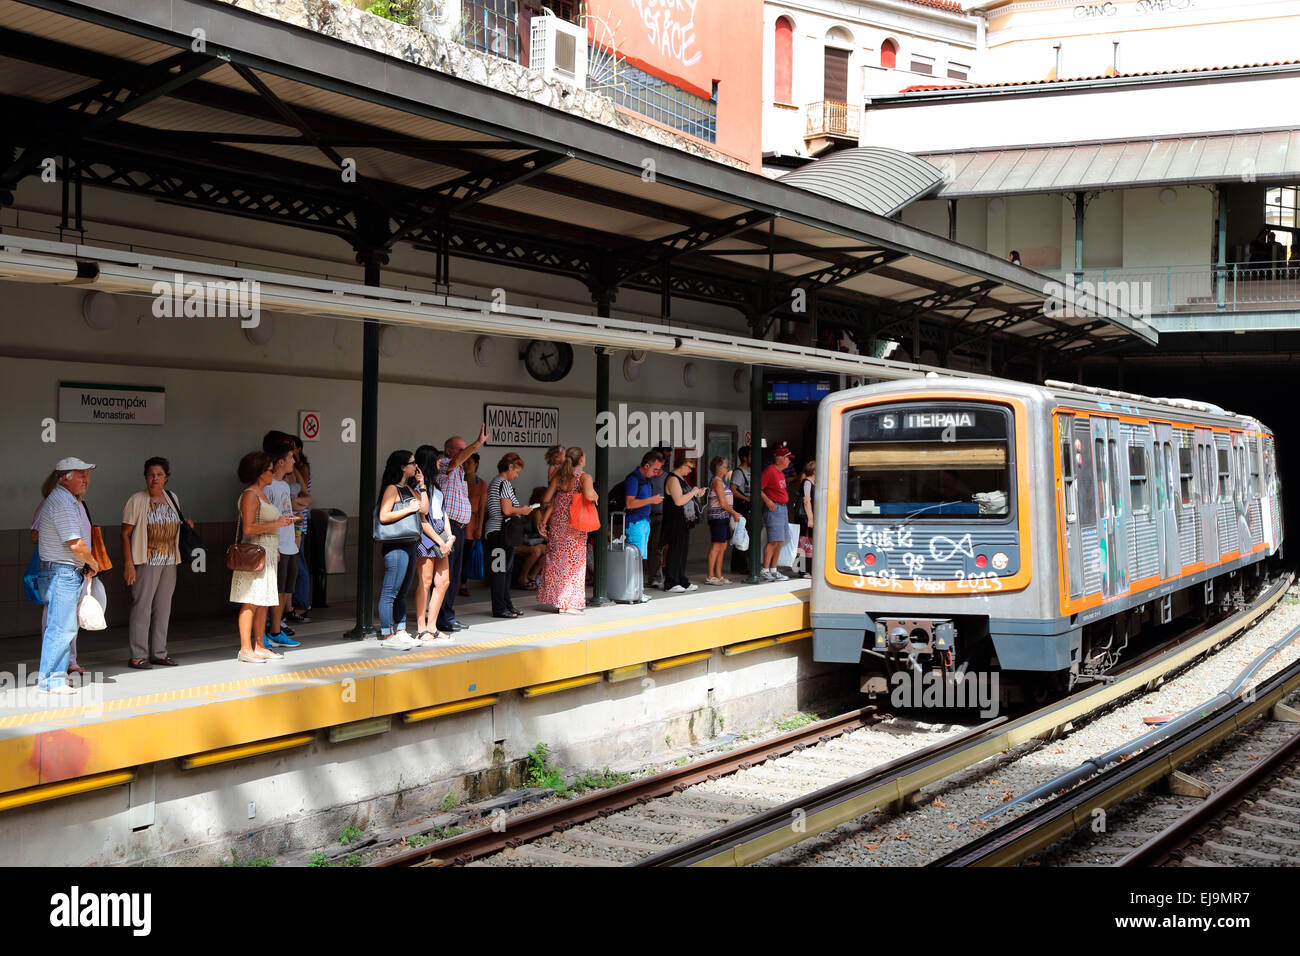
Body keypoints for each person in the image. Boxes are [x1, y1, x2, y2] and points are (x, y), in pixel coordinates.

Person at [120, 457, 192, 669]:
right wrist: (128, 563)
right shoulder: (136, 500)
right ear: (145, 477)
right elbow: (125, 534)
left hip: (169, 560)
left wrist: (186, 525)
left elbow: (175, 523)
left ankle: (159, 653)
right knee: (141, 606)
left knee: (163, 607)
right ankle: (137, 655)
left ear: (166, 478)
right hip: (146, 559)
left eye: (159, 475)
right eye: (151, 474)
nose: (155, 479)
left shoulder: (172, 498)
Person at [35, 458, 98, 694]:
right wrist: (93, 562)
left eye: (87, 475)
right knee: (62, 628)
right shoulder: (63, 501)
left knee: (58, 627)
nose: (86, 480)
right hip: (62, 572)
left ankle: (54, 677)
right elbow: (75, 543)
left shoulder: (63, 499)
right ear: (64, 477)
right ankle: (52, 680)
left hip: (58, 571)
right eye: (80, 475)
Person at [230, 451, 299, 663]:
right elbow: (249, 528)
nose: (273, 472)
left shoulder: (263, 492)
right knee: (251, 601)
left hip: (267, 551)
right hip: (256, 553)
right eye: (269, 470)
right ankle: (245, 648)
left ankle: (259, 645)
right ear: (260, 472)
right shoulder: (251, 494)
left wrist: (276, 541)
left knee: (264, 601)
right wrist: (277, 524)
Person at [436, 424, 489, 633]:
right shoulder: (444, 464)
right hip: (446, 530)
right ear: (449, 451)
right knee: (445, 576)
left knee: (455, 577)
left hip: (459, 529)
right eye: (461, 448)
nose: (466, 453)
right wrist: (478, 443)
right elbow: (457, 460)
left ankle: (448, 615)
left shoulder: (460, 472)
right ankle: (441, 618)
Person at [376, 450, 426, 649]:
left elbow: (424, 509)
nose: (416, 466)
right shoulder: (391, 489)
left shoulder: (408, 488)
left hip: (410, 542)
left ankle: (401, 630)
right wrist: (407, 509)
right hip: (396, 544)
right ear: (402, 467)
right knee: (391, 591)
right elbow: (383, 516)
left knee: (403, 590)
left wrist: (422, 486)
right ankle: (388, 634)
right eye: (412, 463)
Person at [539, 447, 598, 614]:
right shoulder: (584, 477)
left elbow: (546, 499)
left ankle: (558, 600)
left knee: (557, 562)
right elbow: (588, 494)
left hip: (558, 524)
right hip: (575, 526)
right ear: (581, 460)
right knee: (574, 564)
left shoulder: (559, 476)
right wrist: (596, 496)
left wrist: (543, 520)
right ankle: (568, 603)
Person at [413, 445, 456, 644]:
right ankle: (421, 627)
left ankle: (433, 625)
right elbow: (422, 518)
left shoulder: (436, 485)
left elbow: (443, 512)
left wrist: (449, 536)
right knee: (425, 581)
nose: (440, 463)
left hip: (441, 535)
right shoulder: (419, 487)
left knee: (443, 582)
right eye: (437, 460)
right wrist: (441, 541)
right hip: (426, 536)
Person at [263, 441, 302, 651]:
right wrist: (274, 546)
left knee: (285, 591)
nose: (294, 461)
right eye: (290, 458)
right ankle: (265, 632)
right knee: (273, 590)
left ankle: (276, 631)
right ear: (280, 462)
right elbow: (265, 518)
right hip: (275, 545)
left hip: (289, 544)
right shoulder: (267, 487)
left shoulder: (285, 485)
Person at [484, 452, 533, 618]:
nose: (517, 475)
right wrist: (523, 510)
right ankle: (500, 608)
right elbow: (507, 510)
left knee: (504, 571)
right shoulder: (503, 483)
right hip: (500, 533)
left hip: (498, 533)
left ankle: (507, 605)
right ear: (510, 467)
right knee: (500, 572)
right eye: (517, 471)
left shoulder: (495, 483)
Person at [662, 451, 707, 593]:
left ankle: (681, 580)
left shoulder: (681, 479)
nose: (690, 471)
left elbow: (685, 497)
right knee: (675, 551)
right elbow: (679, 500)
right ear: (682, 465)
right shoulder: (673, 479)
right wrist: (693, 492)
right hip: (675, 520)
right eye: (689, 467)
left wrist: (696, 493)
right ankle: (671, 582)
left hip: (683, 521)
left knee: (682, 551)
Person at [623, 451, 664, 578]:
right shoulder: (634, 479)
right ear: (647, 466)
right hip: (635, 521)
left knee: (641, 557)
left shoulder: (646, 480)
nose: (656, 473)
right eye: (655, 470)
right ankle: (632, 589)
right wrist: (652, 500)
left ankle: (637, 589)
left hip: (644, 520)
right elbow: (629, 503)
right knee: (636, 557)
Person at [705, 456, 742, 585]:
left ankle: (719, 575)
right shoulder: (717, 482)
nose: (727, 469)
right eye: (725, 467)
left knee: (723, 546)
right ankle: (710, 576)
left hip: (724, 517)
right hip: (718, 517)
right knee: (716, 546)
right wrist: (734, 513)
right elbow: (722, 503)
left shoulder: (721, 481)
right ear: (719, 469)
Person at [287, 436, 312, 624]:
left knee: (298, 564)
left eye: (294, 449)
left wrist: (295, 503)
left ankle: (301, 604)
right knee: (294, 564)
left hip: (298, 522)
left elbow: (305, 495)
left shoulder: (300, 467)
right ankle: (291, 606)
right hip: (290, 520)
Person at [760, 445, 794, 581]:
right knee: (773, 540)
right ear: (780, 459)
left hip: (782, 508)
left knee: (779, 540)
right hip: (774, 509)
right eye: (788, 459)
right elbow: (758, 488)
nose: (789, 462)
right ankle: (765, 570)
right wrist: (768, 501)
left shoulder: (780, 473)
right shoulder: (769, 471)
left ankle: (773, 569)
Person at [459, 452, 486, 598]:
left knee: (466, 554)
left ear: (476, 464)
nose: (466, 465)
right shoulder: (457, 479)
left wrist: (479, 528)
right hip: (457, 522)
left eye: (469, 462)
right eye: (464, 462)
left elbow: (482, 508)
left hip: (471, 523)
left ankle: (463, 584)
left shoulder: (481, 483)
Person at [513, 487, 549, 590]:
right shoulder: (536, 512)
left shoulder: (544, 511)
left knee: (548, 551)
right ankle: (523, 577)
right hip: (525, 542)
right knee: (538, 551)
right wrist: (552, 541)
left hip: (534, 542)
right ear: (541, 498)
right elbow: (540, 533)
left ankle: (532, 576)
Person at [646, 446, 670, 588]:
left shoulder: (667, 477)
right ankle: (640, 576)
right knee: (641, 547)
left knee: (656, 548)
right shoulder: (643, 475)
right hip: (644, 515)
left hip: (660, 515)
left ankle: (654, 577)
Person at [729, 445, 752, 577]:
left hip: (747, 506)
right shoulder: (739, 472)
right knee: (741, 534)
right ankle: (740, 565)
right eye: (750, 455)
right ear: (744, 457)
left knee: (744, 535)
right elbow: (733, 489)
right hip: (742, 506)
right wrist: (746, 498)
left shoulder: (749, 470)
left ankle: (740, 564)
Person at [798, 459, 816, 579]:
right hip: (806, 518)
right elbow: (806, 501)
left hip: (810, 517)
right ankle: (803, 570)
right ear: (814, 471)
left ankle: (807, 569)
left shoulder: (813, 483)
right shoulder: (807, 483)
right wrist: (810, 518)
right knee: (805, 543)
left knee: (809, 543)